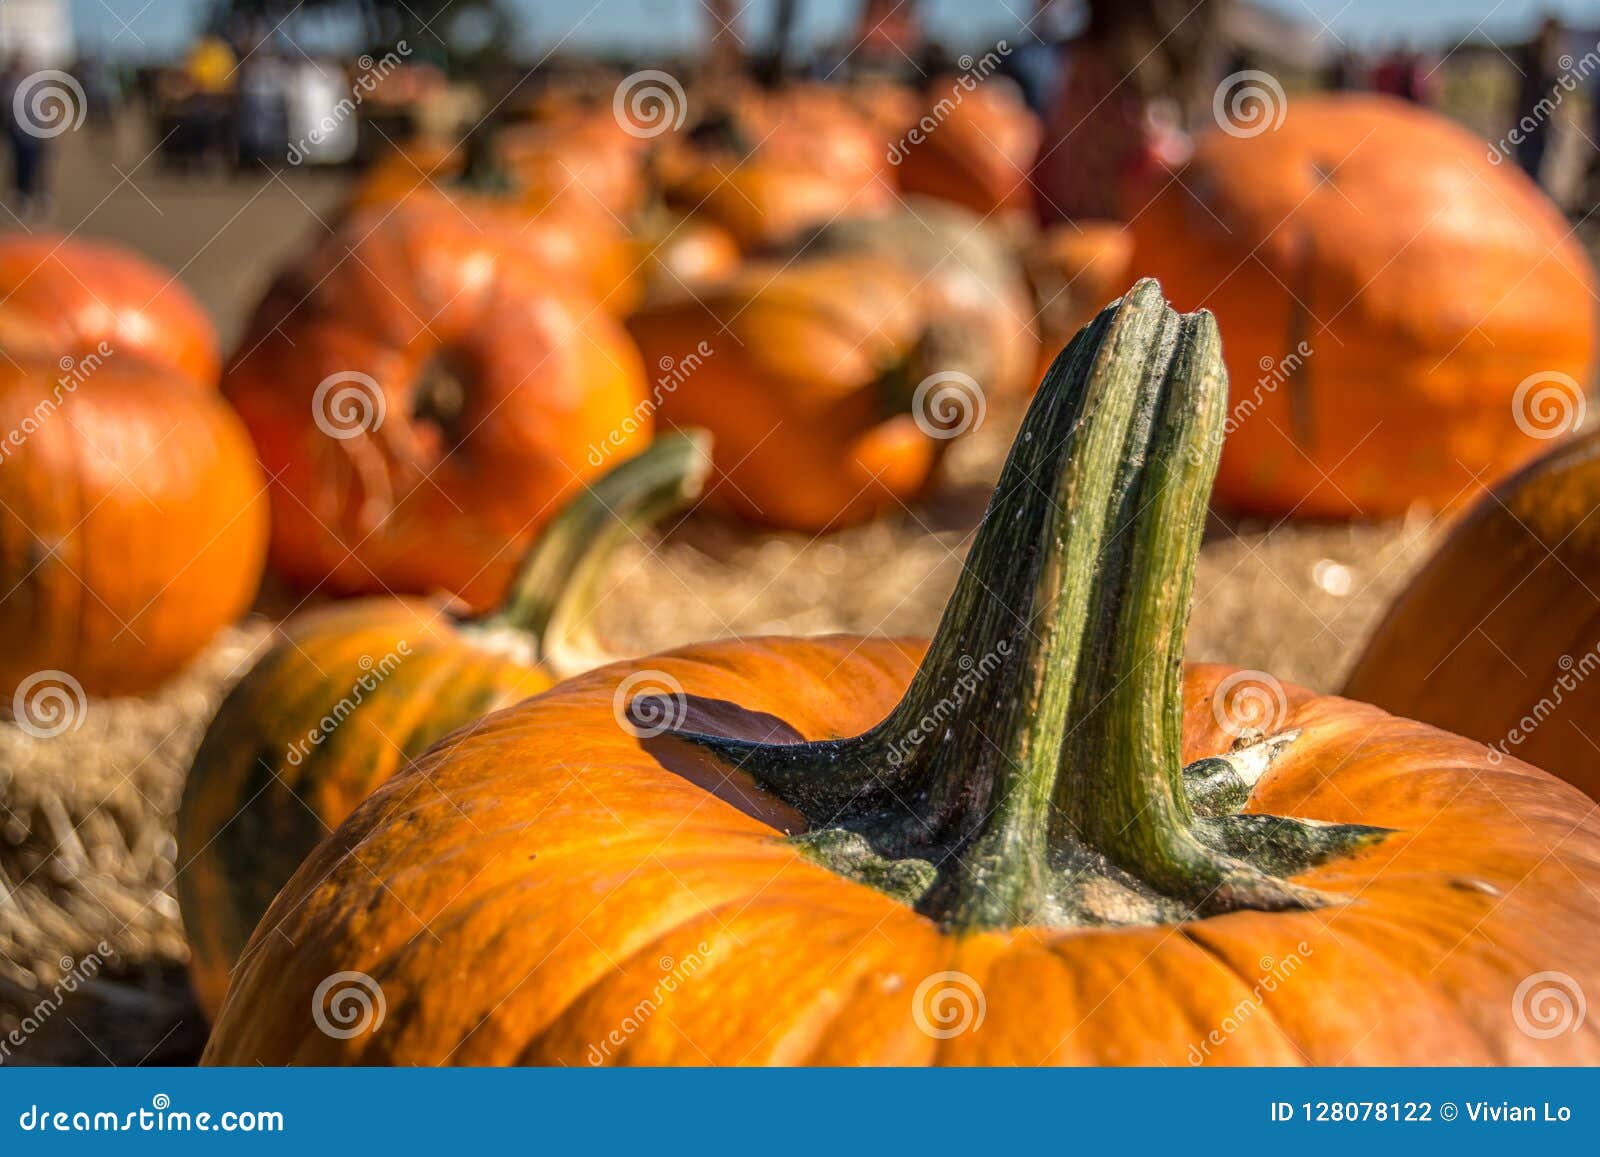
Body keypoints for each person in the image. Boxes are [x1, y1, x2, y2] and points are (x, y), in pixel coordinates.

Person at [1511, 18, 1566, 184]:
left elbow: (1555, 90)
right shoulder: (1532, 55)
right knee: (1527, 167)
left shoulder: (1550, 56)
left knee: (1537, 166)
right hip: (1527, 120)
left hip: (1541, 122)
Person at [1, 53, 50, 218]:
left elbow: (46, 107)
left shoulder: (38, 84)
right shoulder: (9, 83)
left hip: (35, 134)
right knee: (17, 167)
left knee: (36, 167)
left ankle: (37, 200)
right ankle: (19, 199)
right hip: (16, 134)